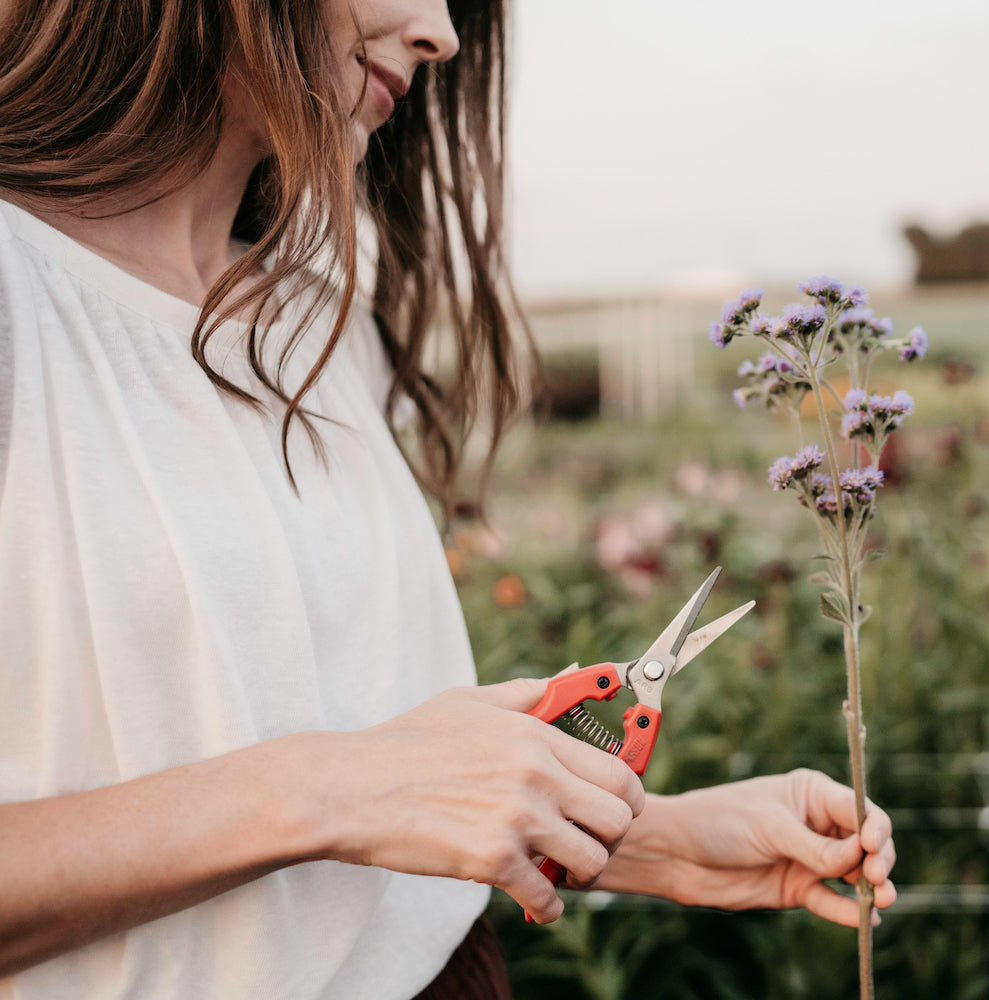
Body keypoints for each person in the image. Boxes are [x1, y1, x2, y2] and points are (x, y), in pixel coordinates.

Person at [0, 1, 897, 997]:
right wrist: (331, 786)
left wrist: (643, 838)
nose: (442, 33)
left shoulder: (318, 311)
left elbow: (335, 754)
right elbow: (346, 783)